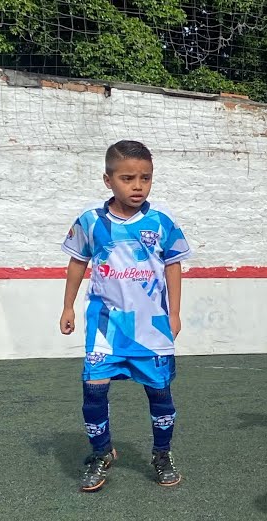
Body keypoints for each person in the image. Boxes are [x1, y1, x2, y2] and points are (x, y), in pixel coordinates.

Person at [59, 140, 191, 492]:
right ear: (108, 180)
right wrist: (68, 305)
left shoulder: (161, 222)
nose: (137, 186)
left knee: (159, 394)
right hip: (105, 325)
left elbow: (174, 266)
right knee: (93, 390)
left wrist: (174, 313)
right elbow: (77, 263)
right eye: (127, 178)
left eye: (145, 178)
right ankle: (100, 453)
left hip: (152, 326)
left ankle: (161, 453)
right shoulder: (91, 222)